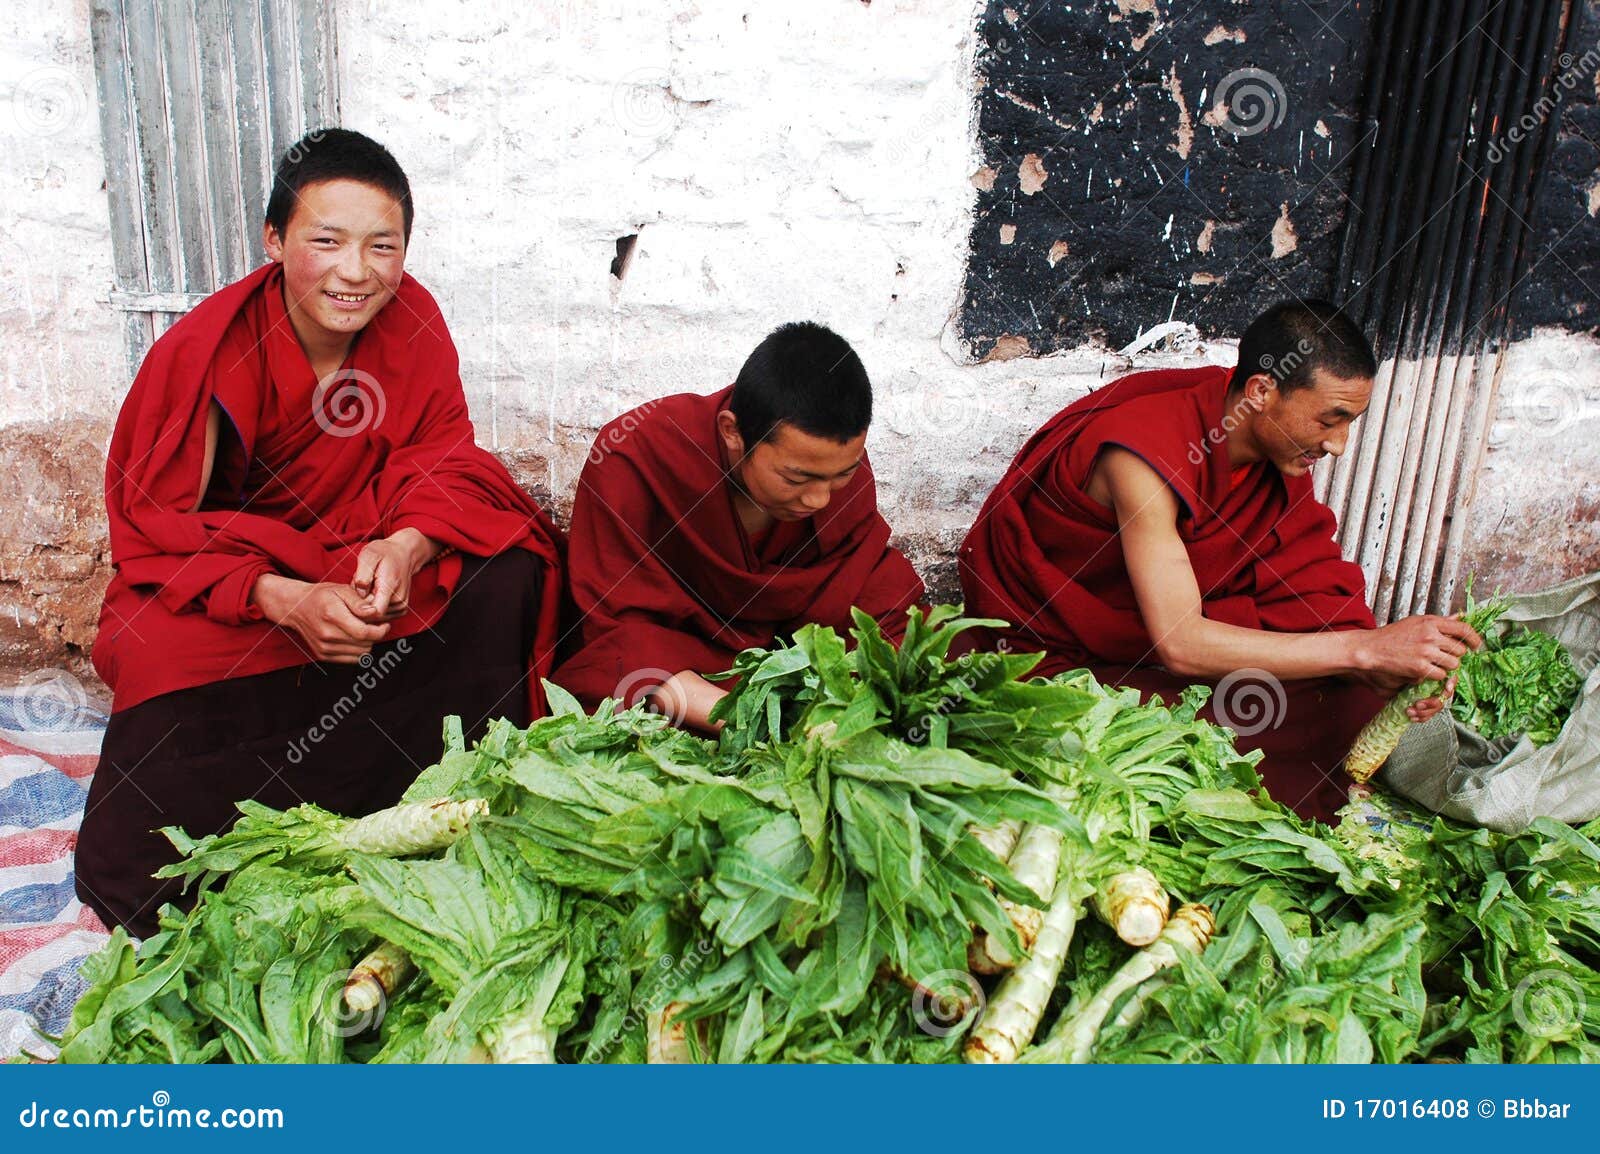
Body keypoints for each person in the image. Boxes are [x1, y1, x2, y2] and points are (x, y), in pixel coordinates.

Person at [77, 129, 563, 936]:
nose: (355, 271)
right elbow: (156, 528)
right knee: (151, 646)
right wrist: (283, 599)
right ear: (274, 240)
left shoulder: (412, 320)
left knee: (504, 569)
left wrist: (407, 547)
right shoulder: (205, 350)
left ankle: (436, 796)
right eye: (325, 241)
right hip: (244, 574)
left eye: (383, 246)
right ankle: (214, 854)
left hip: (362, 552)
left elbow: (443, 458)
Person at [959, 300, 1481, 822]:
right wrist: (1364, 650)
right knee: (1170, 744)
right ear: (1260, 392)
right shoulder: (1143, 455)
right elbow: (1182, 645)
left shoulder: (1273, 457)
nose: (1339, 445)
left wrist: (1383, 668)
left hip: (1172, 644)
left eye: (1350, 423)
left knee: (1346, 697)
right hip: (1075, 657)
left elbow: (1306, 585)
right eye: (1330, 420)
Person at [550, 322, 924, 730]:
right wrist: (749, 724)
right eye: (797, 480)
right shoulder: (636, 457)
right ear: (733, 432)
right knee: (620, 663)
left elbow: (860, 576)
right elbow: (615, 629)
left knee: (916, 632)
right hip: (685, 667)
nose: (820, 500)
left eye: (841, 476)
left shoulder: (827, 467)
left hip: (789, 660)